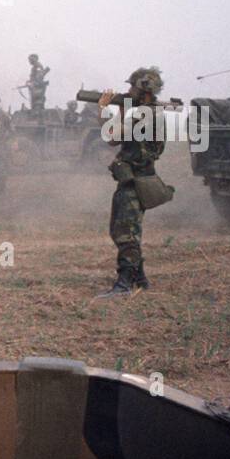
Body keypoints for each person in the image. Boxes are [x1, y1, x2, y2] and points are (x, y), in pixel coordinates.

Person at [96, 66, 169, 297]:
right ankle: (140, 278)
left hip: (135, 182)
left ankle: (124, 284)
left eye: (132, 88)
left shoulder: (146, 115)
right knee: (125, 230)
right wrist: (121, 109)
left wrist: (102, 109)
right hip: (137, 180)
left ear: (144, 90)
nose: (128, 92)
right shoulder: (151, 113)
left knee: (125, 232)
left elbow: (111, 137)